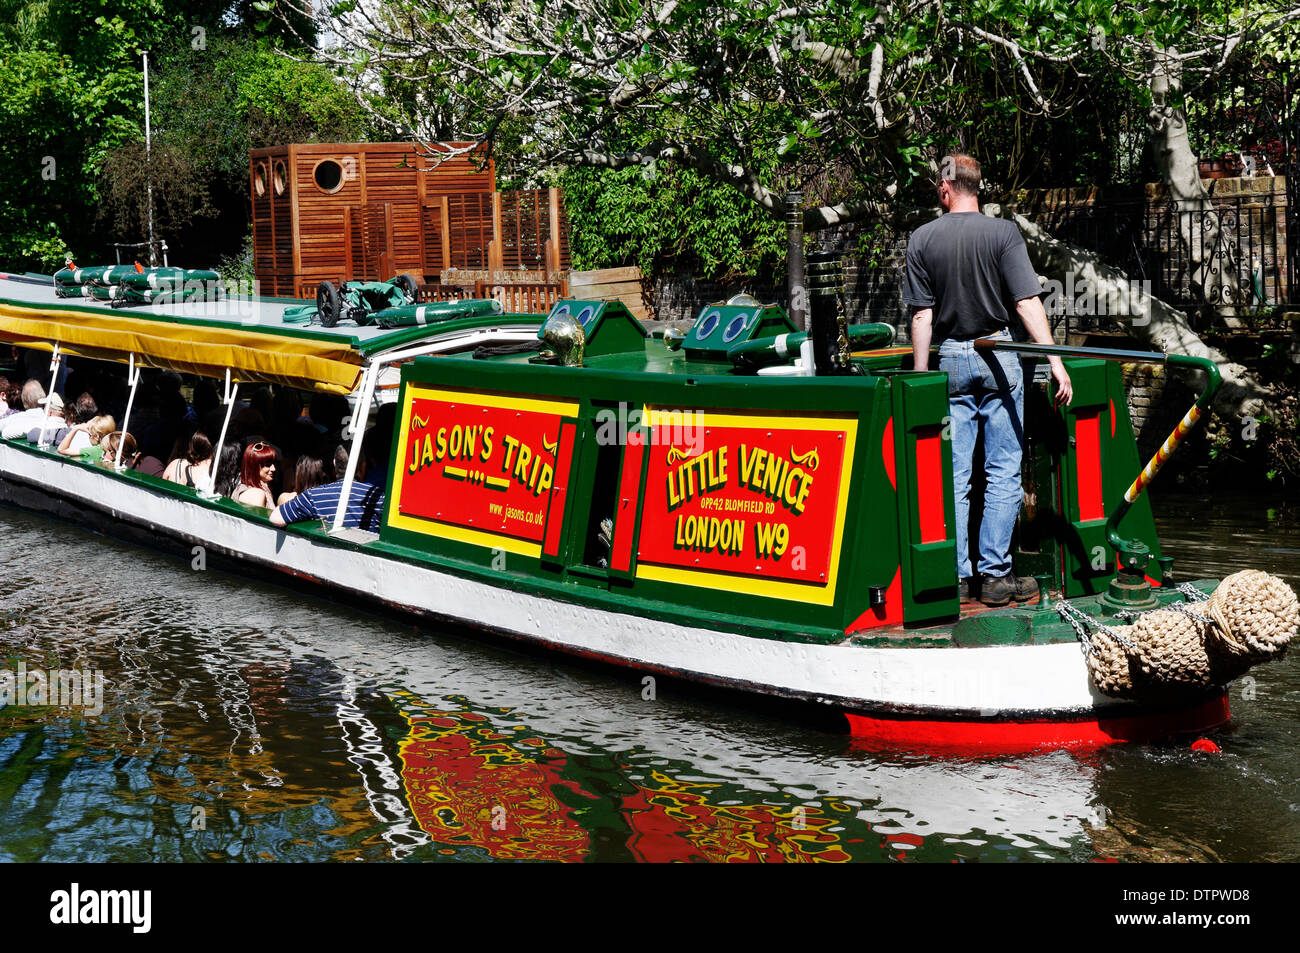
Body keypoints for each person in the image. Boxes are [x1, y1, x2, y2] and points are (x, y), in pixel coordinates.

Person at [903, 152, 1073, 607]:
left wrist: (921, 379)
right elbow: (1025, 303)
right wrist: (1055, 361)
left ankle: (956, 577)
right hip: (997, 352)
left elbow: (922, 315)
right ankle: (995, 576)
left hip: (951, 356)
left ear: (945, 186)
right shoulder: (1003, 233)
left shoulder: (921, 239)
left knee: (955, 474)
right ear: (977, 186)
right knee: (1002, 469)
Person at [271, 429, 386, 532]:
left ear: (334, 464)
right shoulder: (378, 496)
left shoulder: (312, 495)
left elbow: (275, 518)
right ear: (363, 466)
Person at [232, 442, 278, 508]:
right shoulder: (256, 494)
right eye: (267, 464)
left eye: (274, 463)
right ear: (253, 466)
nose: (273, 469)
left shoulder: (261, 488)